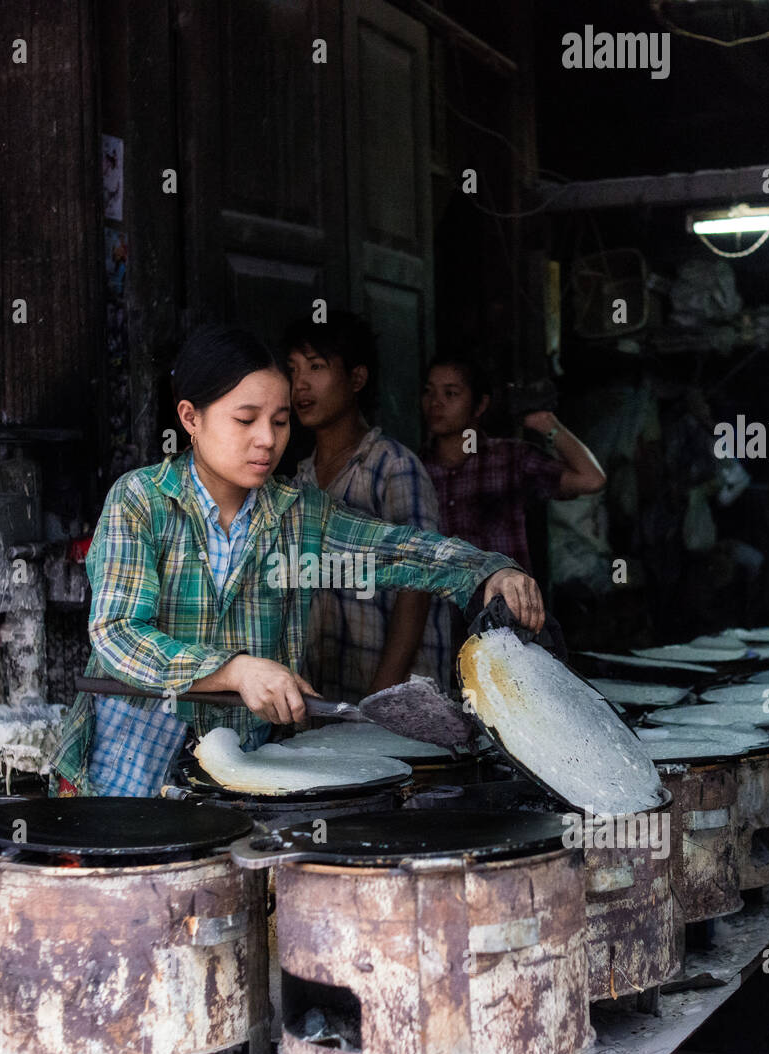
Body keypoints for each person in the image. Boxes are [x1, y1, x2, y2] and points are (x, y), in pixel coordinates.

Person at [52, 326, 545, 797]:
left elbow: (398, 549)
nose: (267, 438)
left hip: (244, 765)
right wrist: (236, 672)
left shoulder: (298, 513)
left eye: (280, 420)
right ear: (190, 418)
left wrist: (487, 570)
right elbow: (118, 632)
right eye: (246, 420)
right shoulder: (141, 500)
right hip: (133, 753)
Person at [284, 312, 452, 701]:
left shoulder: (393, 466)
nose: (300, 384)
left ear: (356, 379)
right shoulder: (301, 480)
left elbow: (418, 584)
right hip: (331, 700)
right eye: (292, 370)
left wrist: (382, 697)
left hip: (395, 703)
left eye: (317, 367)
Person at [420, 355, 608, 575]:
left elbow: (592, 479)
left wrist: (547, 423)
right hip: (440, 607)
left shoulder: (509, 459)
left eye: (450, 393)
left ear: (480, 404)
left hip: (500, 606)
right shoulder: (414, 469)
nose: (435, 402)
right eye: (428, 391)